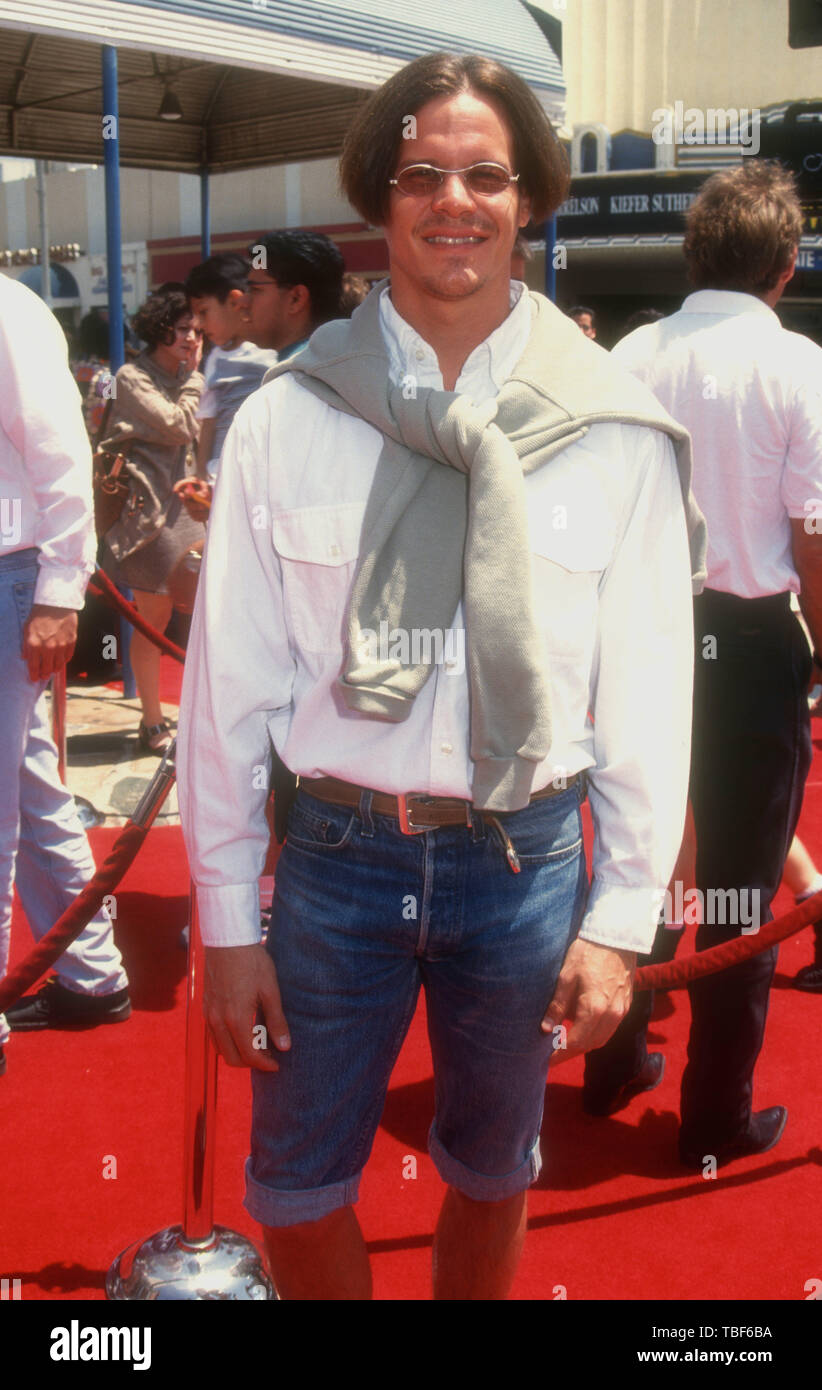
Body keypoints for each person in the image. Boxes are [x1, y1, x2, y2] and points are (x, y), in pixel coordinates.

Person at [178, 50, 704, 1300]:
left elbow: (644, 685)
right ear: (381, 193)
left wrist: (623, 924)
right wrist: (224, 921)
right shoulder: (289, 416)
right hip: (337, 862)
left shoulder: (615, 426)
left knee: (491, 1170)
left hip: (524, 867)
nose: (453, 200)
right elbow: (227, 690)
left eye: (485, 175)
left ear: (527, 199)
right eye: (422, 174)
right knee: (294, 1189)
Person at [610, 160, 822, 1167]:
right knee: (737, 887)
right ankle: (714, 1114)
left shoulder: (631, 353)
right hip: (746, 641)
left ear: (694, 252)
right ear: (785, 267)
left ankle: (614, 1057)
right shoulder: (799, 368)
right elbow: (812, 537)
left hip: (645, 635)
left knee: (640, 860)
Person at [0, 275, 130, 1055]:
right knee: (30, 782)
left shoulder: (8, 309)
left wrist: (59, 592)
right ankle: (91, 974)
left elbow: (60, 455)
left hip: (11, 571)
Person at [100, 284, 205, 754]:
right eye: (184, 330)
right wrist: (197, 382)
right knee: (155, 619)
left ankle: (200, 714)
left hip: (191, 511)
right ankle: (151, 721)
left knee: (203, 616)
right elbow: (180, 424)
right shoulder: (132, 377)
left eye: (198, 331)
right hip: (152, 518)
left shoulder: (182, 376)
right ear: (161, 330)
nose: (193, 340)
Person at [243, 230, 344, 357]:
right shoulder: (340, 358)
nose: (243, 302)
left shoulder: (294, 373)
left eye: (255, 289)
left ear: (296, 299)